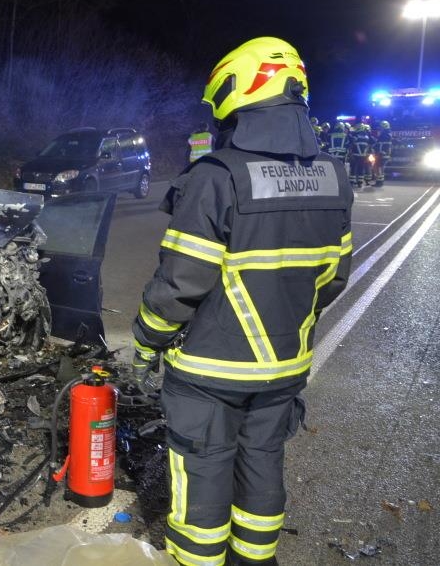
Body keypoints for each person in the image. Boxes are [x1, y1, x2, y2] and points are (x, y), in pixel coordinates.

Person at [129, 37, 353, 566]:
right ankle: (256, 560)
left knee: (203, 469)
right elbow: (333, 278)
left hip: (211, 371)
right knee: (263, 461)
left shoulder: (217, 177)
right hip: (284, 366)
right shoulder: (333, 175)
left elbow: (181, 284)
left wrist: (145, 342)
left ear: (238, 89)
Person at [347, 120, 374, 188]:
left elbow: (351, 143)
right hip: (363, 156)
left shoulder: (356, 135)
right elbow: (371, 143)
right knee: (361, 169)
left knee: (353, 168)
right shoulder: (366, 136)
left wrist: (349, 134)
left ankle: (352, 182)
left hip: (355, 155)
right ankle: (360, 183)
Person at [372, 120, 392, 187]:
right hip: (385, 154)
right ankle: (380, 181)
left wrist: (374, 147)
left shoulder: (384, 135)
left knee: (379, 168)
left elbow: (379, 144)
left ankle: (379, 182)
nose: (380, 128)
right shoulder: (388, 134)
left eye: (381, 127)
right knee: (380, 168)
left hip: (381, 154)